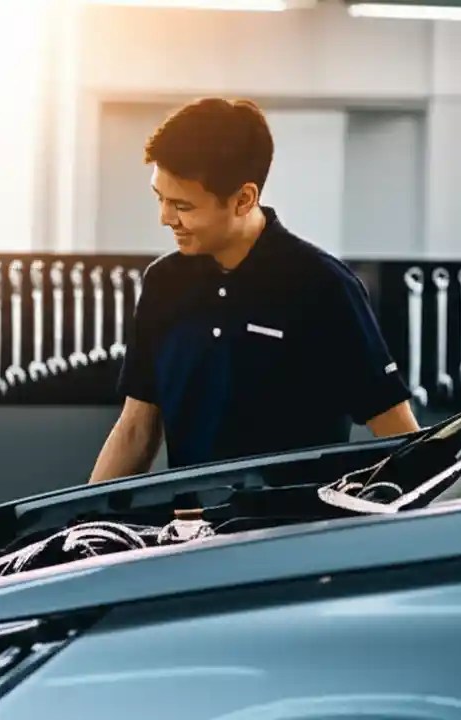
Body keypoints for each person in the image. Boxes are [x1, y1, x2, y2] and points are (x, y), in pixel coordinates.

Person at [89, 98, 420, 483]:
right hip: (191, 536)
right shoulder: (163, 283)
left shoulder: (325, 288)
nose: (166, 218)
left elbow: (399, 436)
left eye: (182, 206)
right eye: (159, 198)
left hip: (289, 537)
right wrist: (75, 527)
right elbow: (135, 431)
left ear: (244, 199)